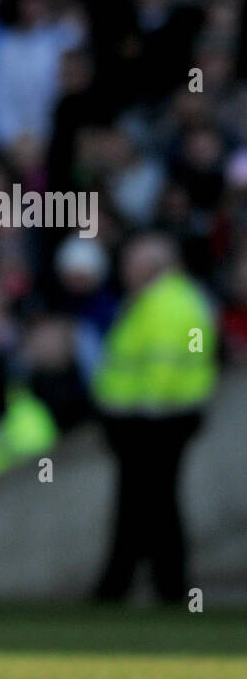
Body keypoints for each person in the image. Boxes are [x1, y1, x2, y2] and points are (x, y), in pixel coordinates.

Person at [91, 233, 216, 603]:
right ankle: (152, 587)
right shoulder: (167, 300)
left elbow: (159, 372)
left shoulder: (166, 304)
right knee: (152, 507)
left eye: (133, 263)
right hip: (156, 421)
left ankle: (132, 588)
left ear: (152, 266)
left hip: (154, 422)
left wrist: (136, 414)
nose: (125, 270)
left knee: (147, 508)